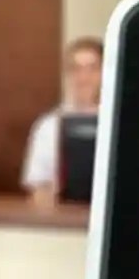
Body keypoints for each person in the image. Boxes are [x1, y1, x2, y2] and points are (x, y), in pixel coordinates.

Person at [22, 36, 103, 206]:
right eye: (76, 69)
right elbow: (37, 188)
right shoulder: (49, 126)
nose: (84, 78)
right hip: (66, 221)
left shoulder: (124, 123)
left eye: (92, 69)